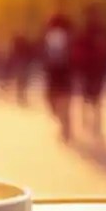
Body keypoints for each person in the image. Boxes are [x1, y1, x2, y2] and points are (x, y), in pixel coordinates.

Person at [73, 5, 106, 138]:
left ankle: (94, 123)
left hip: (97, 69)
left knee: (95, 97)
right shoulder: (86, 31)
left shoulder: (100, 31)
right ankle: (88, 122)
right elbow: (78, 51)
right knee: (88, 97)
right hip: (88, 69)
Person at [41, 10, 75, 142]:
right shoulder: (54, 37)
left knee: (57, 99)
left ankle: (65, 126)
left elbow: (44, 54)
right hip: (60, 72)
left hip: (58, 72)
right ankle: (65, 125)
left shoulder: (50, 37)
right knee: (62, 99)